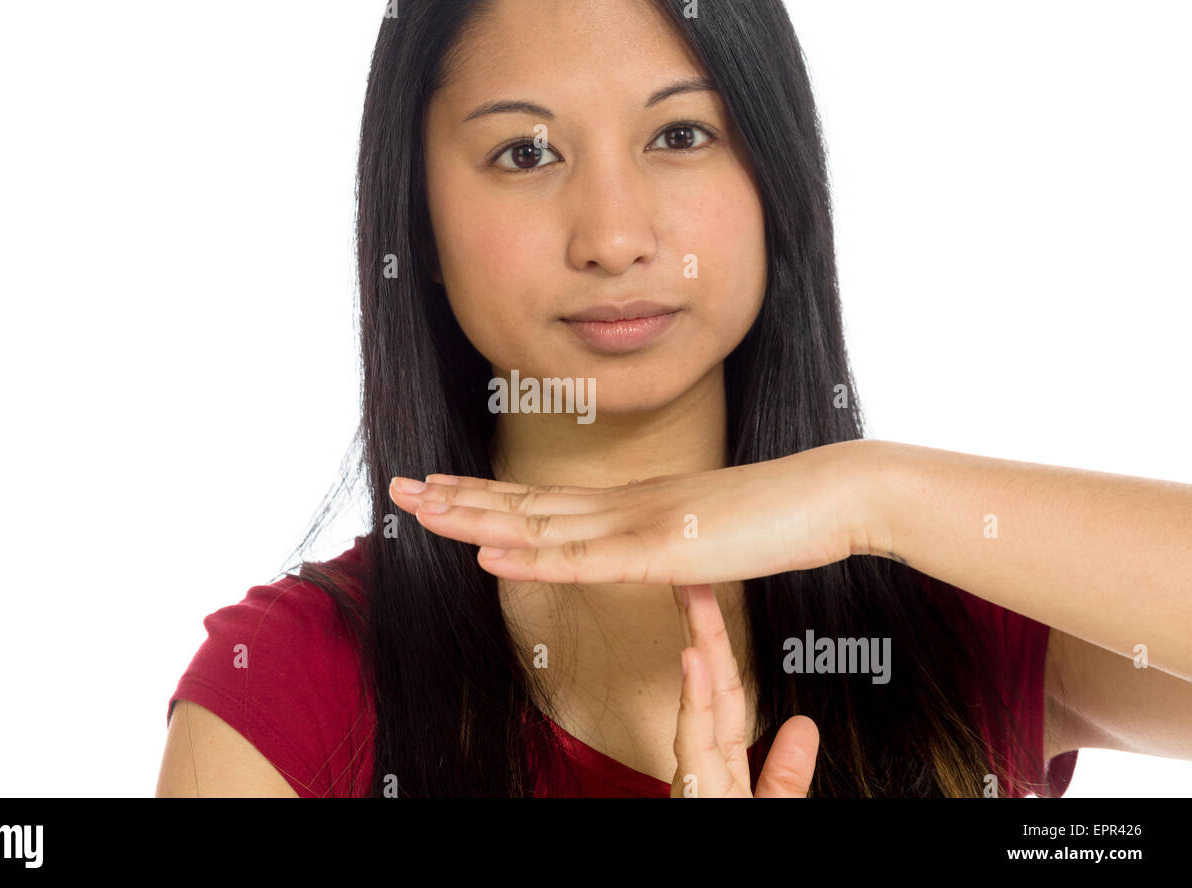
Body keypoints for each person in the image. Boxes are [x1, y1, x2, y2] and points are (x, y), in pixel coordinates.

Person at [156, 0, 1192, 798]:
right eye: (525, 152)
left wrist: (871, 495)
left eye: (680, 135)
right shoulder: (286, 695)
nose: (613, 235)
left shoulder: (946, 603)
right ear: (416, 220)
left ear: (774, 174)